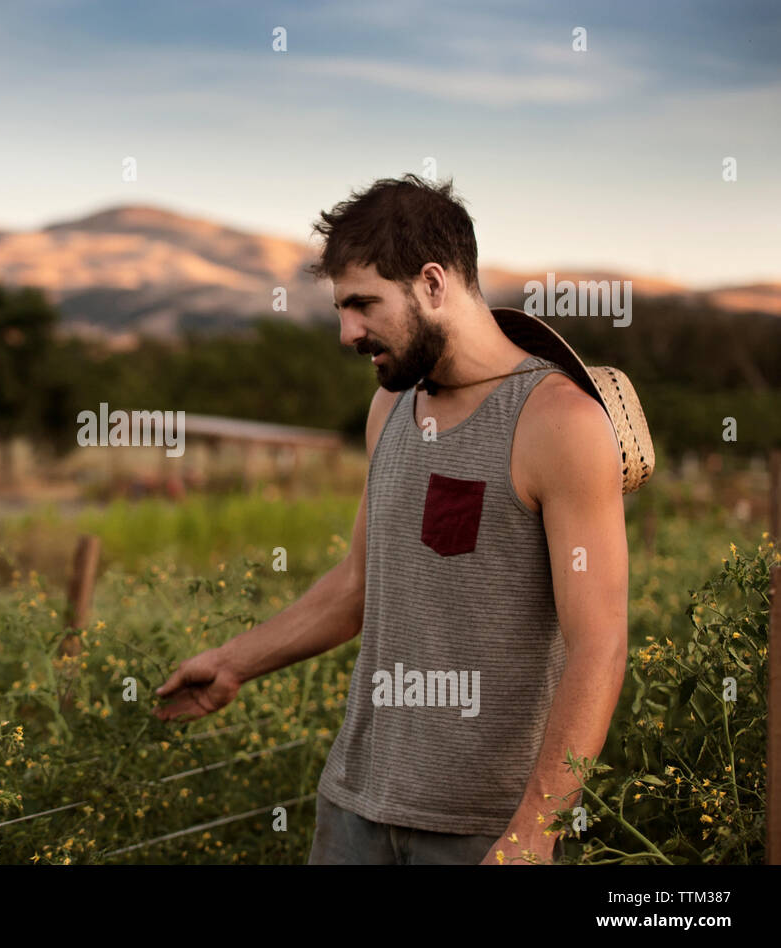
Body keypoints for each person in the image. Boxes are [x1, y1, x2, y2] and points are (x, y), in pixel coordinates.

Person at [153, 175, 630, 865]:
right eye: (342, 307)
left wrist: (533, 832)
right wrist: (232, 663)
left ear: (433, 284)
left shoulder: (559, 423)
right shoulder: (391, 409)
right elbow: (357, 586)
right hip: (355, 805)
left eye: (362, 304)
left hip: (480, 828)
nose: (347, 331)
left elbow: (601, 644)